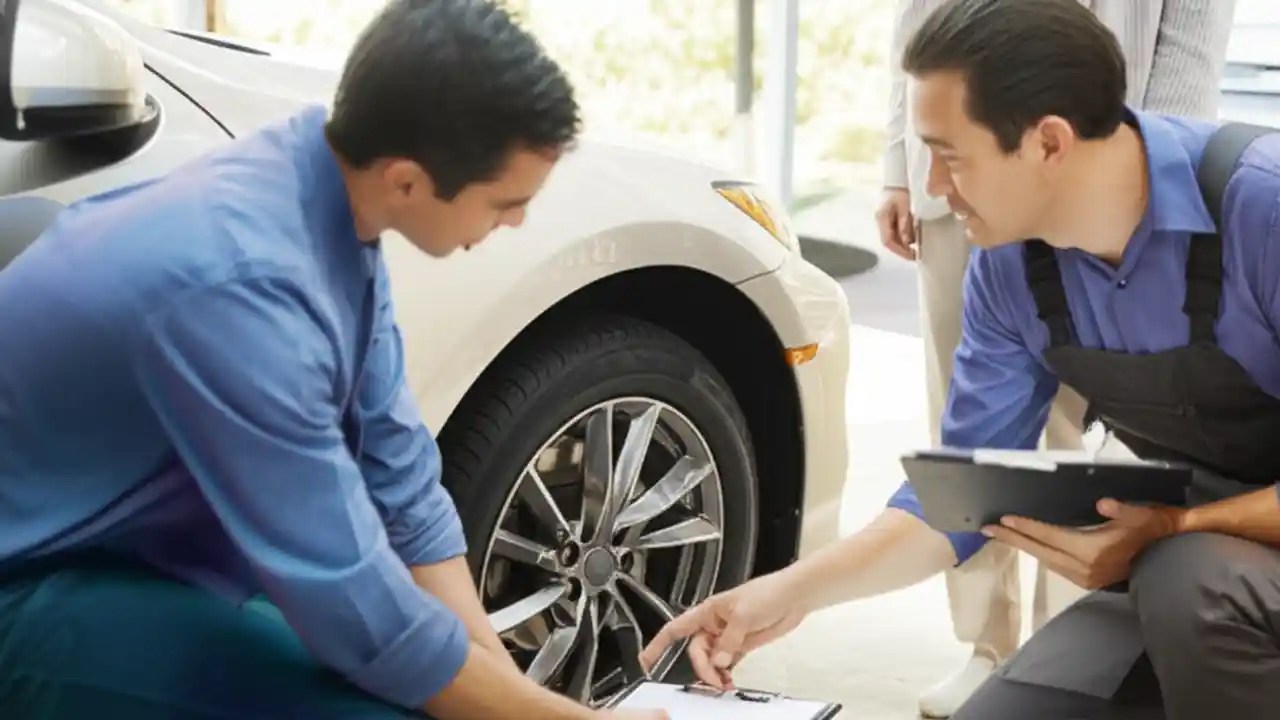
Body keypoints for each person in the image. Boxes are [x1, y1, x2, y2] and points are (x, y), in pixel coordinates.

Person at [0, 1, 663, 719]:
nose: (516, 222)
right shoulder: (244, 285)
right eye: (506, 201)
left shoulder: (322, 187)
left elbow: (401, 481)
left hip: (128, 549)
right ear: (408, 179)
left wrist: (517, 695)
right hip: (29, 582)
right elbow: (364, 618)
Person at [642, 0, 1280, 717]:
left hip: (1206, 571)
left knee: (1192, 584)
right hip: (1199, 567)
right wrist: (782, 594)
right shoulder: (1010, 268)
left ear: (1048, 142)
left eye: (949, 157)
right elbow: (957, 508)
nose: (934, 189)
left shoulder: (1263, 211)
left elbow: (1183, 555)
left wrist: (1175, 528)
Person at [874, 0, 1235, 715]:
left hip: (1093, 148)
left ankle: (1072, 629)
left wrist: (1138, 171)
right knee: (975, 448)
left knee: (1105, 469)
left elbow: (1193, 24)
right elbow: (920, 18)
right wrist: (904, 159)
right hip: (987, 147)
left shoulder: (1257, 209)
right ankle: (992, 644)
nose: (936, 180)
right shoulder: (991, 252)